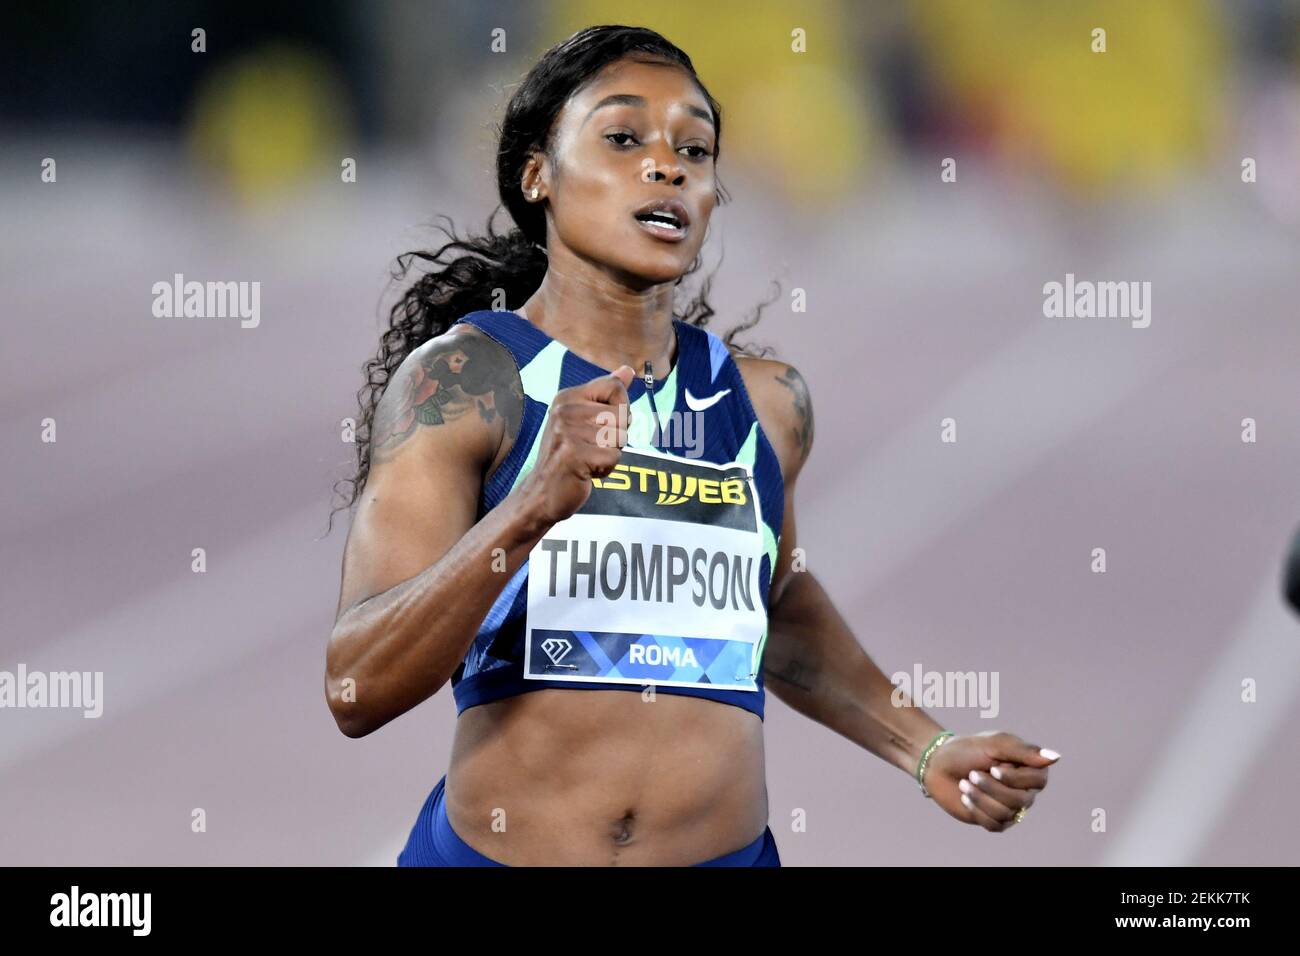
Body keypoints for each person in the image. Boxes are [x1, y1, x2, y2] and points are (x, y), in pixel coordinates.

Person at [325, 24, 1058, 867]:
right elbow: (356, 686)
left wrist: (925, 749)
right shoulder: (465, 383)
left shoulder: (767, 404)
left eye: (696, 149)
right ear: (538, 174)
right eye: (624, 137)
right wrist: (529, 511)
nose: (667, 165)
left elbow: (776, 610)